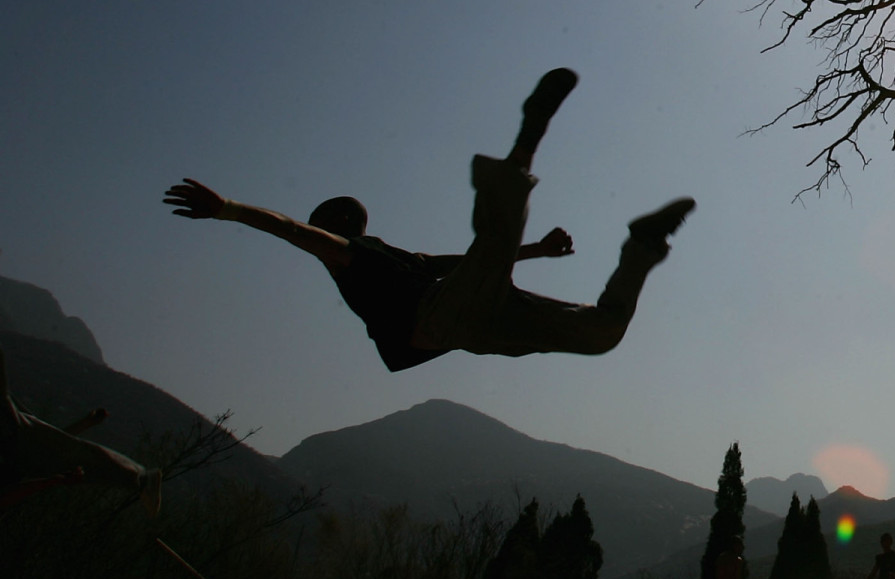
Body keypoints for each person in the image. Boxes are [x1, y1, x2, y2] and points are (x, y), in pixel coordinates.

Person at [165, 70, 693, 370]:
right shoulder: (347, 256)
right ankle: (524, 145)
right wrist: (229, 209)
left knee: (601, 332)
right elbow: (294, 230)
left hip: (465, 322)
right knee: (495, 249)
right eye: (350, 219)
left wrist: (534, 252)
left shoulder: (385, 255)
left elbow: (455, 262)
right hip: (441, 321)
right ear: (341, 226)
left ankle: (642, 246)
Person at [0, 347, 160, 514]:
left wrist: (50, 481)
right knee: (73, 455)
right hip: (17, 448)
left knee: (71, 454)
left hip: (14, 442)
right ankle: (140, 479)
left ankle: (140, 479)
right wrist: (50, 481)